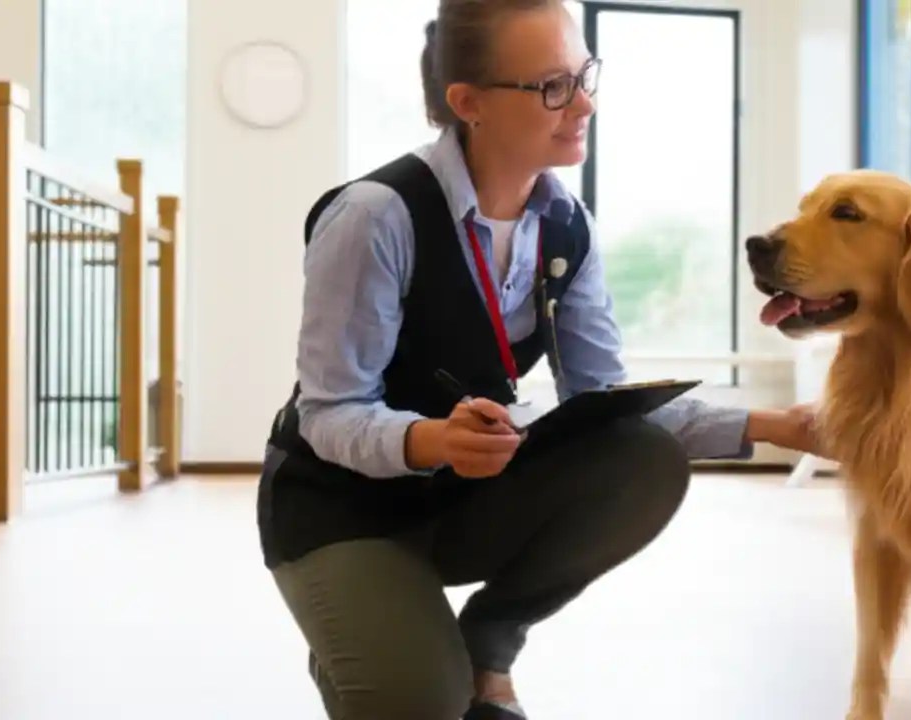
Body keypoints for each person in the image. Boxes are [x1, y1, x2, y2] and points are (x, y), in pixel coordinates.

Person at [257, 1, 821, 718]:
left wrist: (784, 425)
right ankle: (367, 617)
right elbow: (330, 413)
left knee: (641, 455)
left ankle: (488, 641)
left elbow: (610, 400)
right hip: (340, 508)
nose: (584, 102)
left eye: (584, 75)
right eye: (553, 86)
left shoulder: (566, 223)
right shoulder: (375, 217)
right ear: (469, 104)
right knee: (422, 703)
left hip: (457, 493)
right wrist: (431, 439)